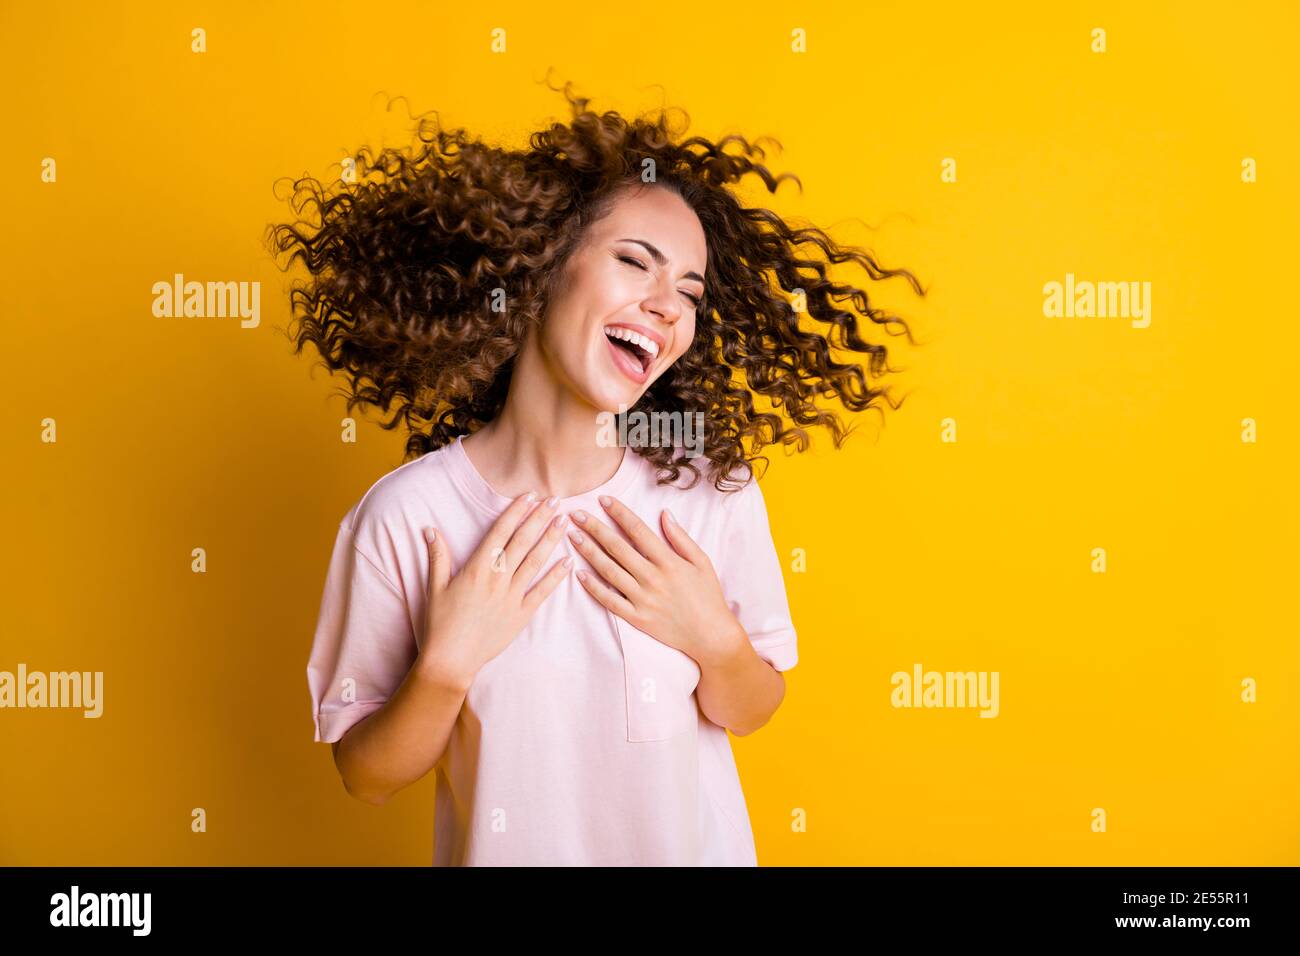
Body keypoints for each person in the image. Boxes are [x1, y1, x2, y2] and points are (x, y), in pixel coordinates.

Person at [267, 80, 924, 865]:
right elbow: (366, 775)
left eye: (688, 291)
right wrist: (445, 666)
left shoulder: (707, 488)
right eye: (635, 263)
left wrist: (714, 639)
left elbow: (751, 709)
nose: (667, 306)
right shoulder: (408, 518)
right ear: (543, 270)